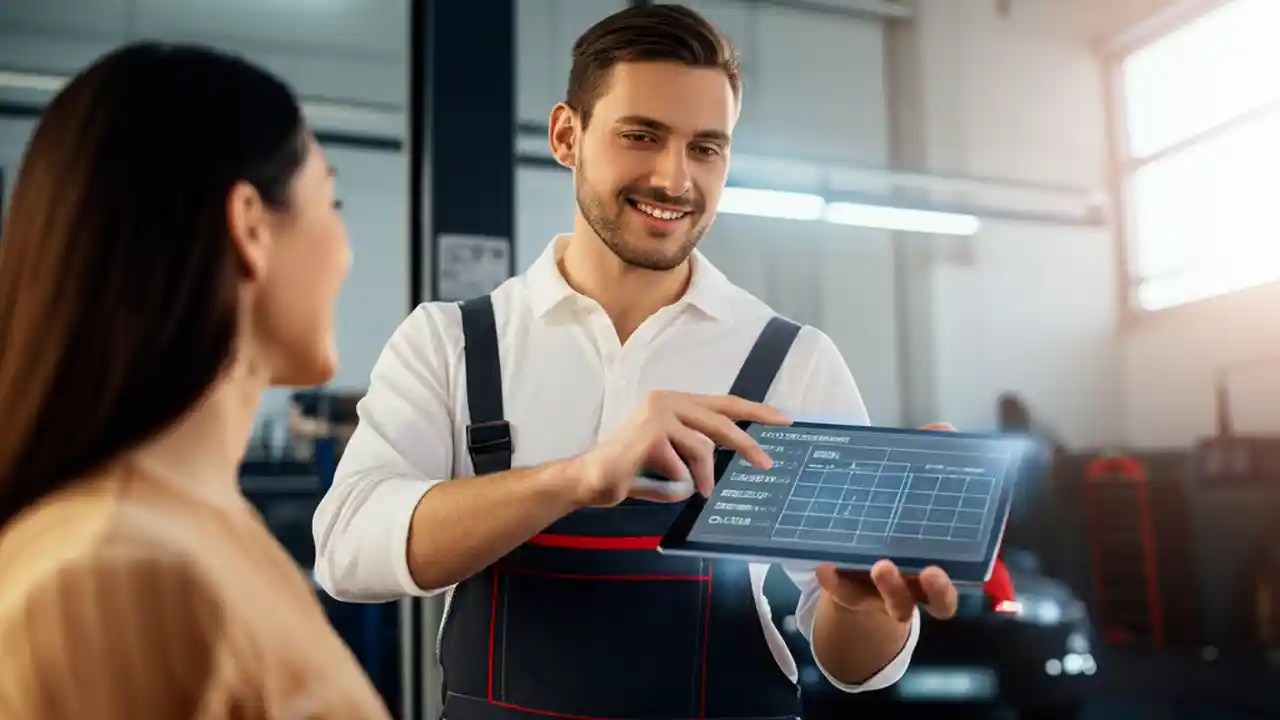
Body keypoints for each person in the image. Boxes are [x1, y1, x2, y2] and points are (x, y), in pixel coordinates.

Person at [313, 5, 958, 719]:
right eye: (641, 136)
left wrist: (862, 605)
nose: (675, 179)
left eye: (706, 148)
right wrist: (578, 477)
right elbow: (347, 552)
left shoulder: (790, 362)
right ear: (567, 136)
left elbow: (854, 669)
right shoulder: (454, 343)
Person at [0, 42, 390, 719]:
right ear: (250, 227)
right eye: (331, 202)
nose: (346, 252)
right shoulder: (115, 576)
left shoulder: (202, 530)